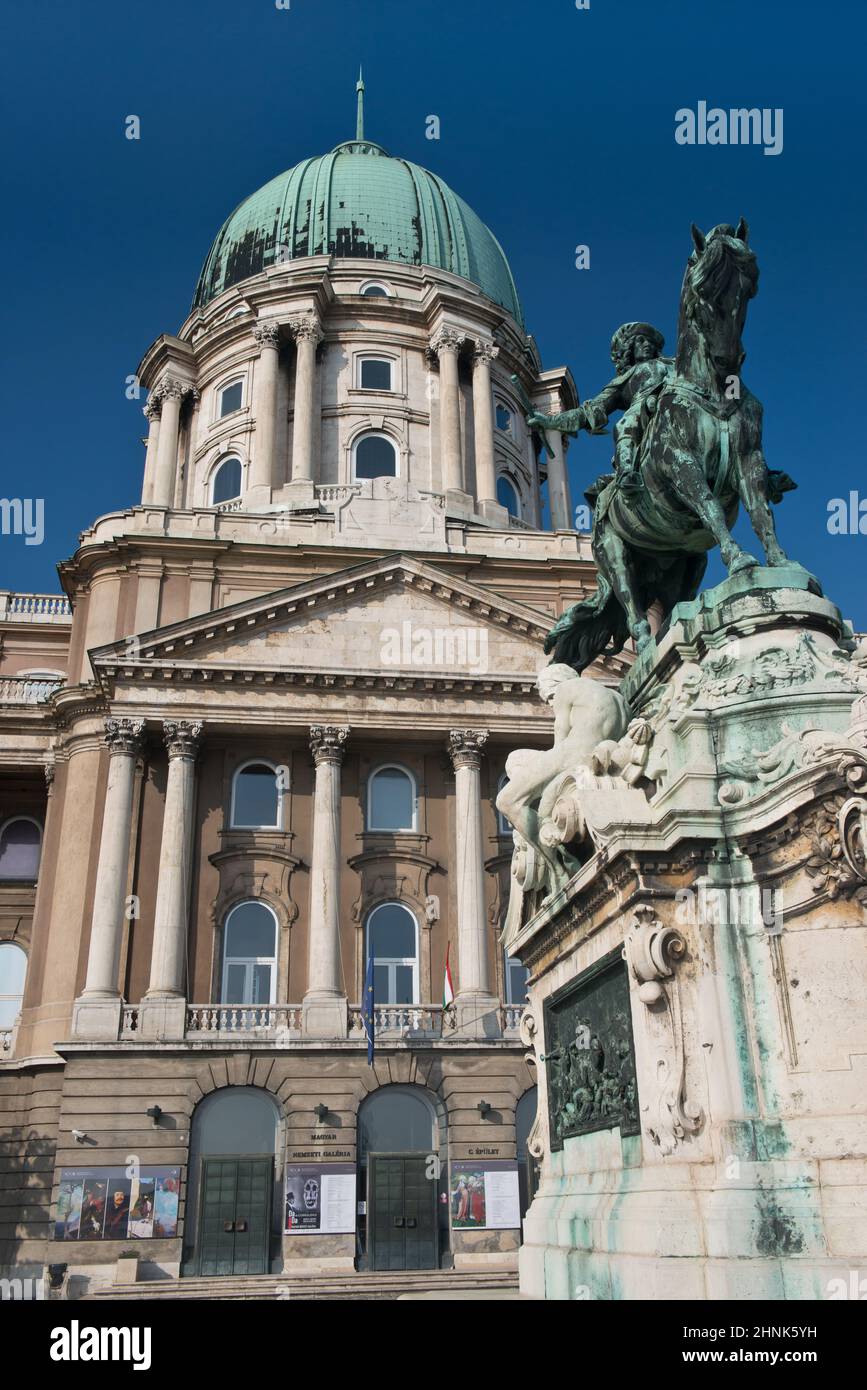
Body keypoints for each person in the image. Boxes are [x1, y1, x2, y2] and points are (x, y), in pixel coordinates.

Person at [528, 322, 672, 493]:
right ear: (629, 349)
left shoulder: (674, 364)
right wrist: (551, 421)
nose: (647, 345)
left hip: (678, 405)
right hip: (643, 414)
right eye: (640, 341)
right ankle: (627, 474)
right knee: (625, 425)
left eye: (650, 342)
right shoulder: (623, 381)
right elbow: (590, 411)